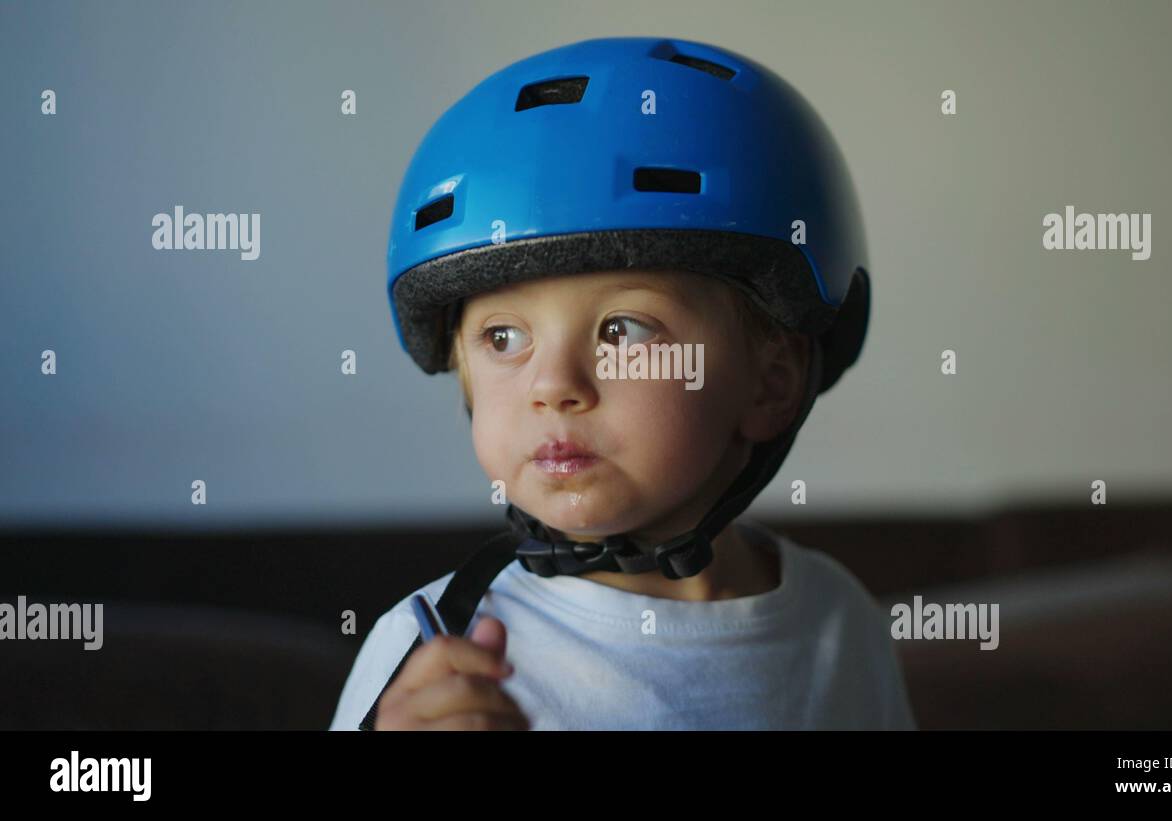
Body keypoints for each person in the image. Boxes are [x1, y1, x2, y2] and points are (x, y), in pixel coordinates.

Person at [329, 36, 916, 730]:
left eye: (623, 330)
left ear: (771, 383)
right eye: (503, 338)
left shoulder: (838, 620)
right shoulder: (433, 652)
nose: (554, 386)